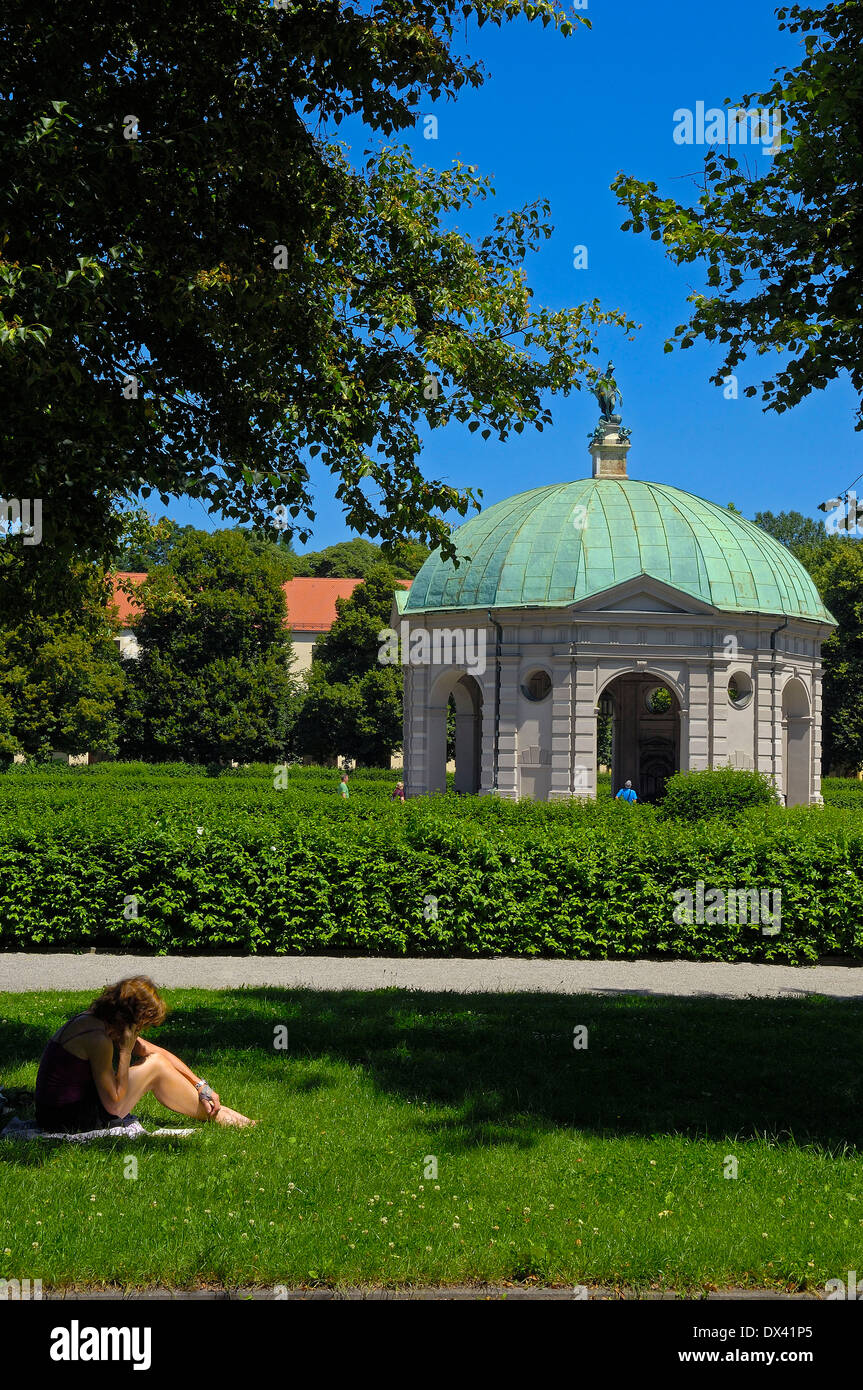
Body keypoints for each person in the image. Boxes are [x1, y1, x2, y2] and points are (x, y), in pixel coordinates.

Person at [34, 976, 254, 1133]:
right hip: (68, 1120)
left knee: (156, 1061)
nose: (141, 1031)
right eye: (142, 1025)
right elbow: (113, 1105)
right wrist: (125, 1052)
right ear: (131, 1018)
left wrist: (201, 1086)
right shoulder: (98, 1039)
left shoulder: (98, 1020)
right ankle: (220, 1116)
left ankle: (219, 1112)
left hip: (57, 1113)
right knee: (156, 1066)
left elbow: (154, 1051)